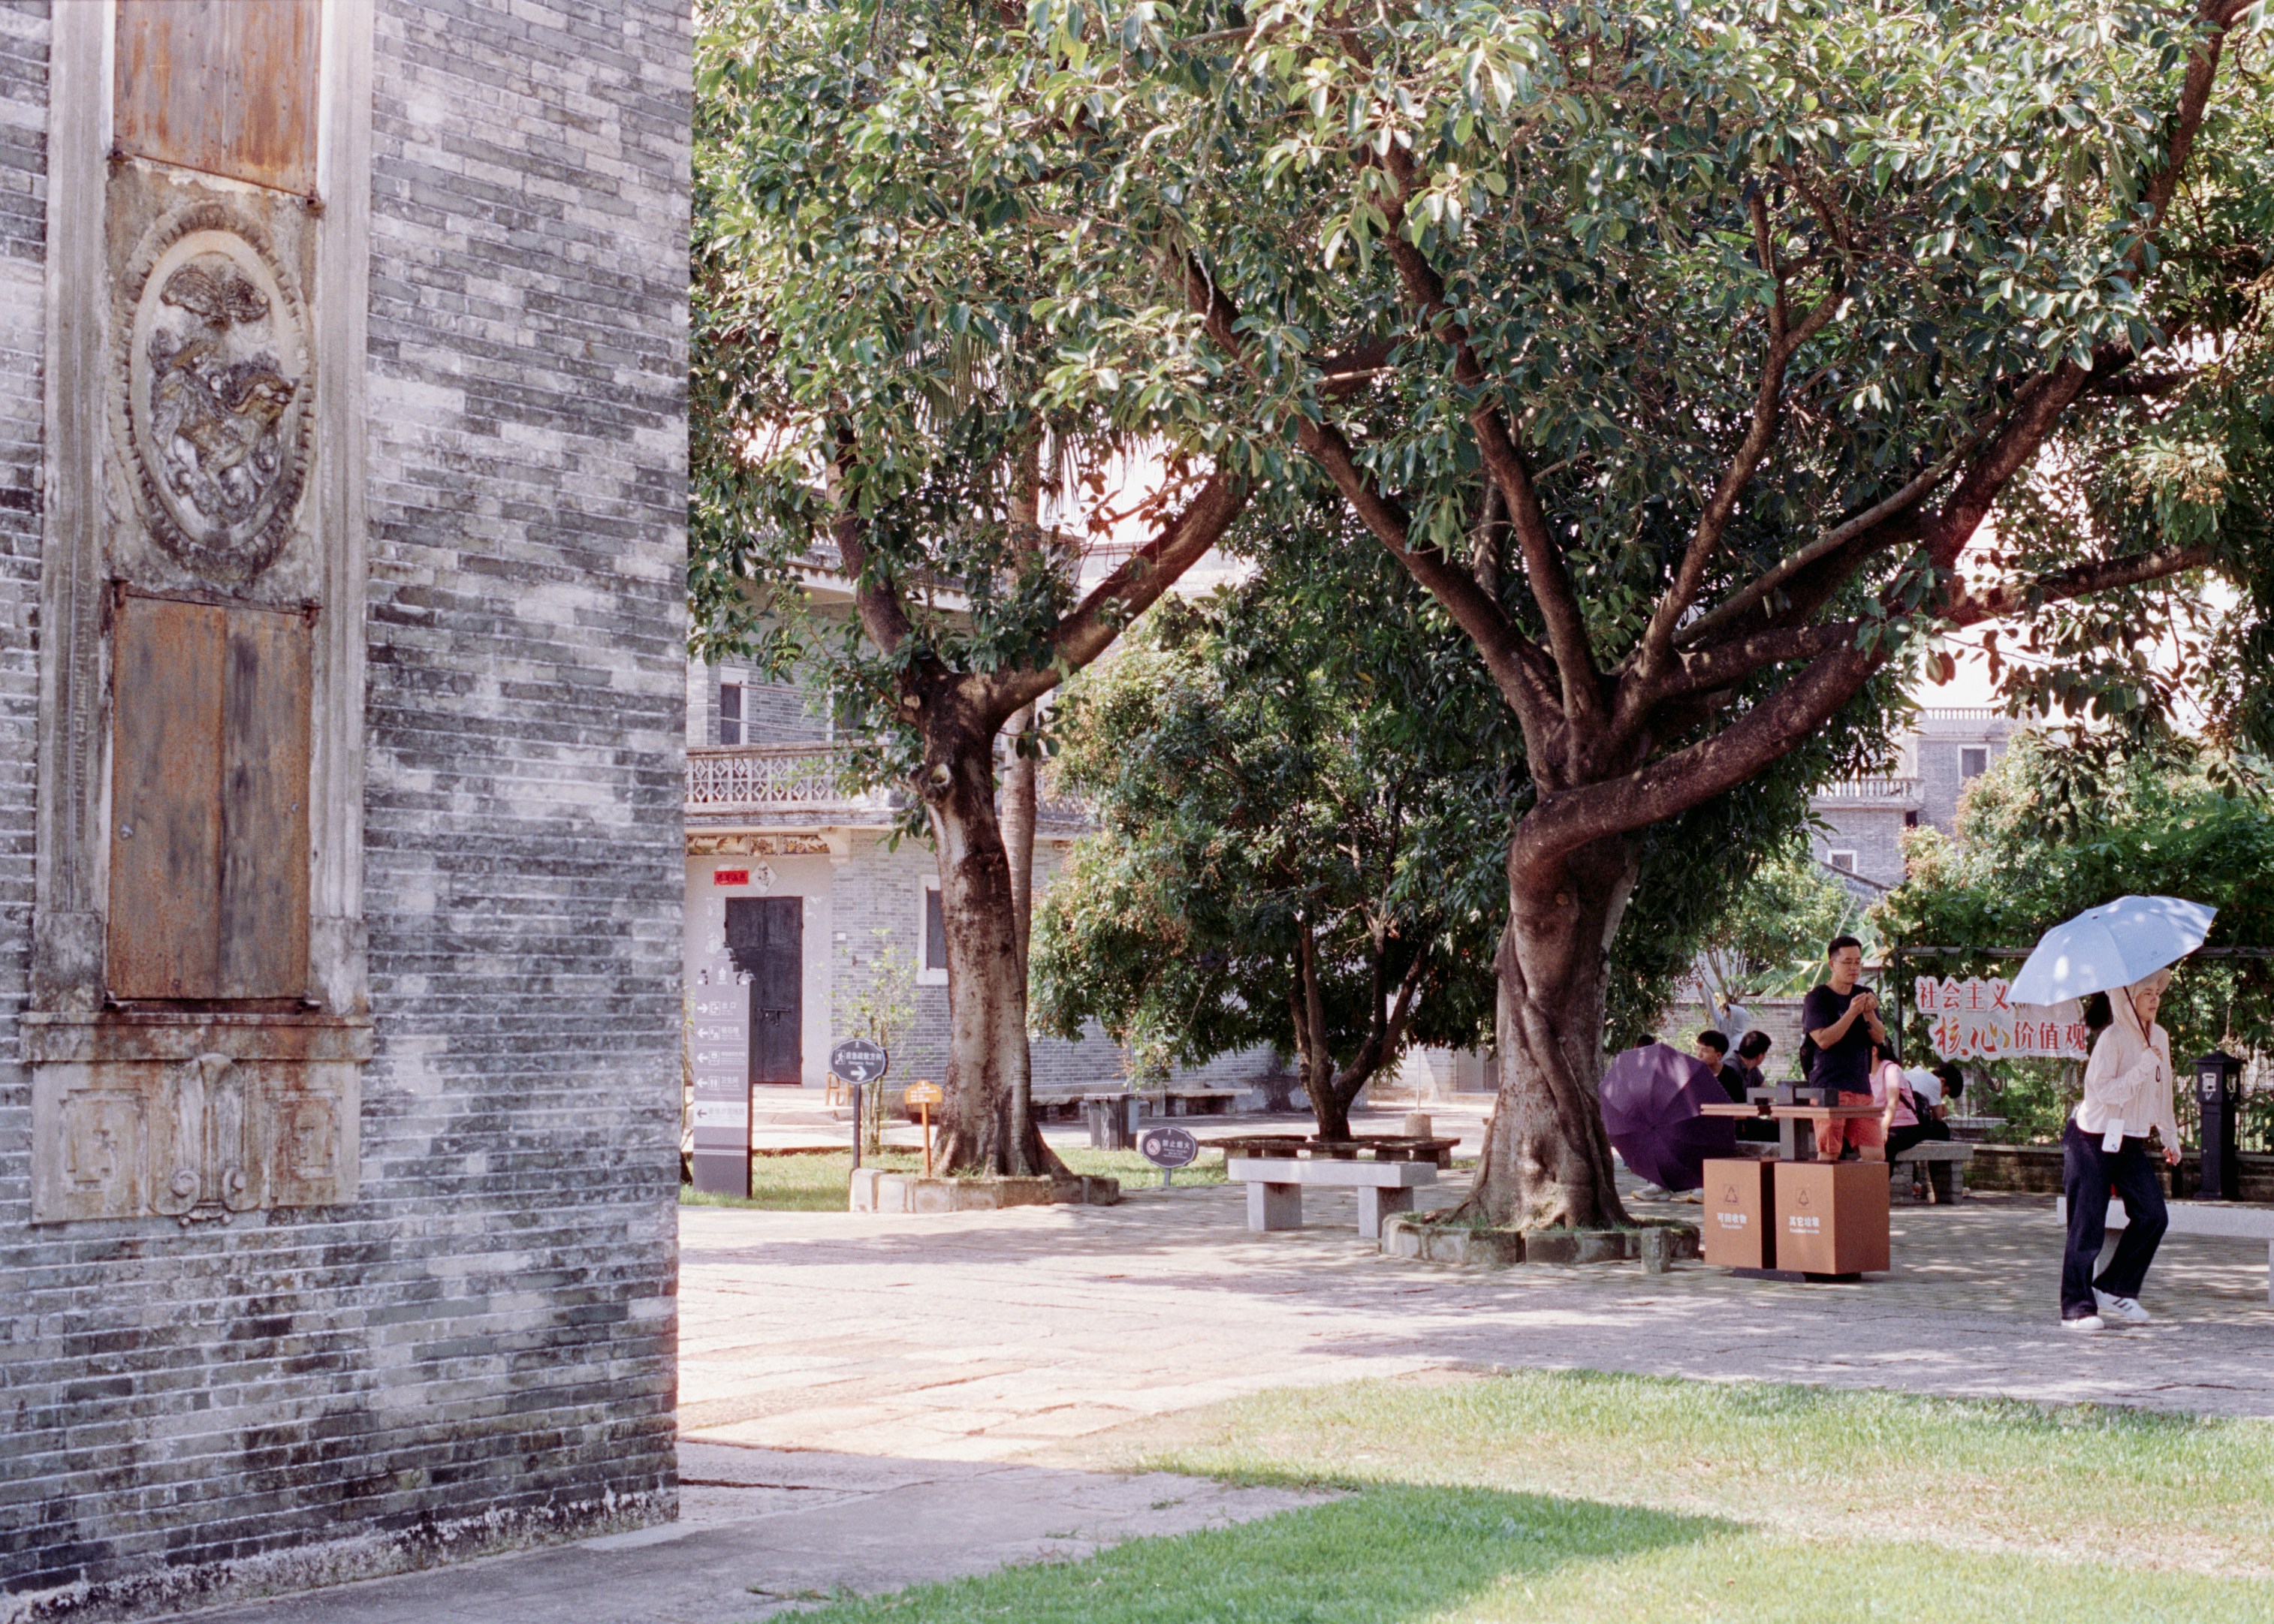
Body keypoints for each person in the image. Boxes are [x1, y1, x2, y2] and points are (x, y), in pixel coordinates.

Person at [2061, 969, 2177, 1332]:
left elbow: (2164, 1091)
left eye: (2157, 992)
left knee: (2153, 1214)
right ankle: (2077, 1308)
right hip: (2091, 1138)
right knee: (2087, 1224)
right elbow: (2103, 1093)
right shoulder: (2111, 1039)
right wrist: (2142, 1067)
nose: (2155, 999)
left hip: (2129, 1140)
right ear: (2126, 1000)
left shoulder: (2160, 1037)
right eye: (2146, 993)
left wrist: (2170, 1136)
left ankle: (2115, 1286)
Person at [1801, 935, 1888, 1158]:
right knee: (1830, 1153)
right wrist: (1852, 1013)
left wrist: (1868, 1012)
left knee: (1875, 1156)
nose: (1854, 967)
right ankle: (1826, 1194)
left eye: (1858, 962)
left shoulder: (1864, 995)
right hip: (1829, 1087)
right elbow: (1823, 1039)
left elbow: (1879, 1038)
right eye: (1847, 962)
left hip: (1861, 1086)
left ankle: (1859, 1194)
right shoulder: (1818, 997)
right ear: (1832, 964)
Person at [1694, 1029, 1744, 1103]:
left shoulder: (1731, 1076)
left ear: (1718, 1056)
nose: (1699, 1055)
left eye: (1705, 1051)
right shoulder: (1693, 1074)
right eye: (1697, 1049)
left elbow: (1739, 1105)